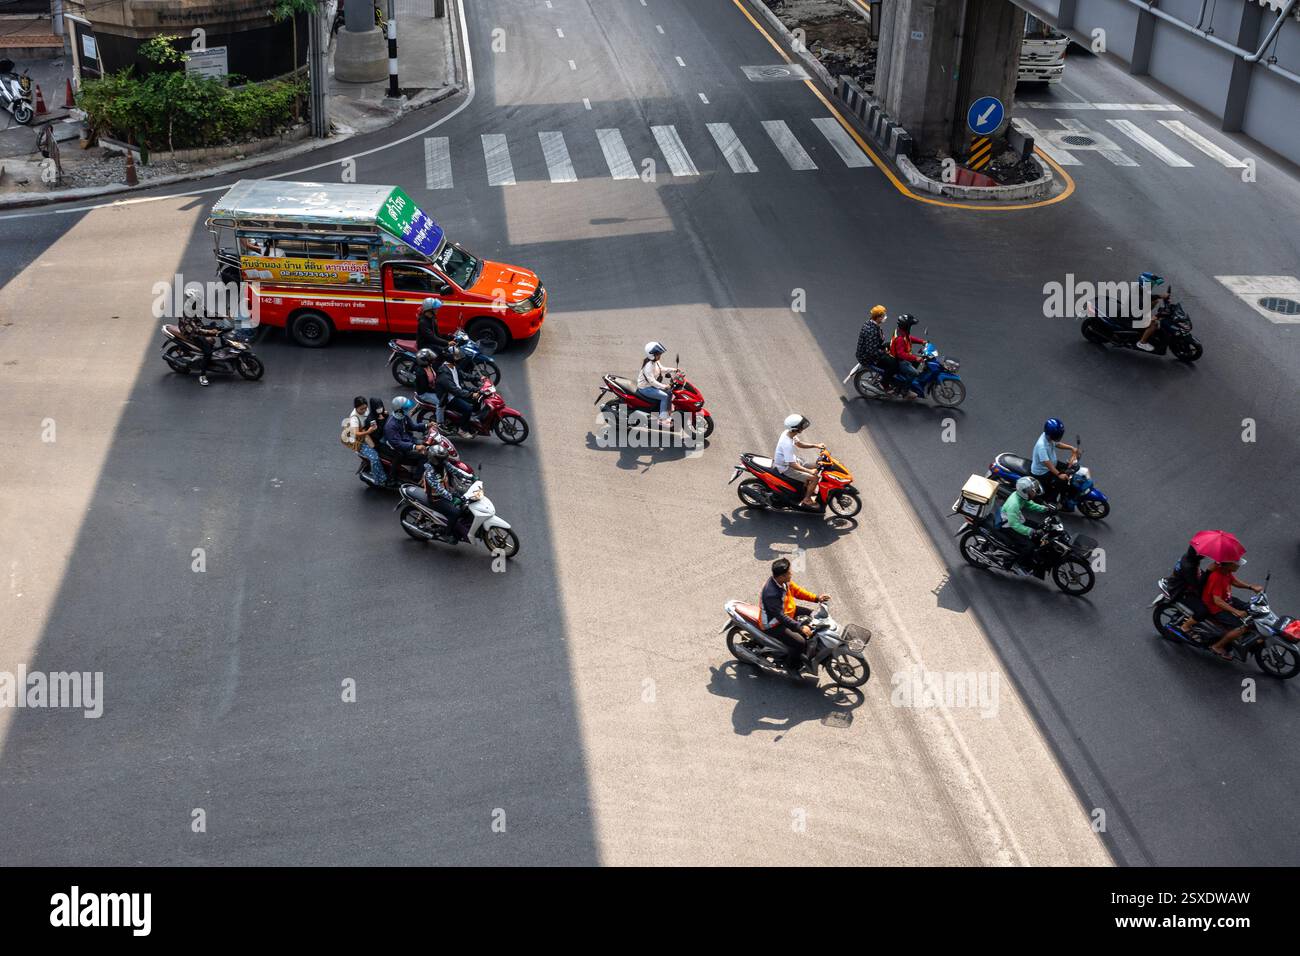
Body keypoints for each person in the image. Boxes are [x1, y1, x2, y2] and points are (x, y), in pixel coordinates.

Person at [760, 558, 830, 674]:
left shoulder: (783, 582)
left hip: (788, 611)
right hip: (773, 624)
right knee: (800, 642)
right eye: (788, 573)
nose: (791, 574)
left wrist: (817, 598)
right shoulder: (771, 594)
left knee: (814, 615)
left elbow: (797, 591)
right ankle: (791, 667)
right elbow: (780, 617)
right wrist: (800, 627)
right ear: (781, 576)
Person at [1205, 560, 1264, 660]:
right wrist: (1236, 611)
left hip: (1227, 600)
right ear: (1228, 565)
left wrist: (1251, 587)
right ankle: (1217, 646)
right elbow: (1217, 601)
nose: (1238, 566)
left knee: (1252, 608)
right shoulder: (1217, 577)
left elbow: (1234, 581)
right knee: (1242, 626)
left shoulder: (1226, 572)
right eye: (1236, 564)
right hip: (1216, 608)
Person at [774, 414, 825, 508]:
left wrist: (816, 445)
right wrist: (809, 471)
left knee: (816, 465)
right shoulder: (787, 444)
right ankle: (807, 499)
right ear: (795, 428)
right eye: (801, 426)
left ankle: (808, 487)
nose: (803, 427)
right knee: (815, 478)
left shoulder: (789, 433)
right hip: (786, 468)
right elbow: (792, 464)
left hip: (793, 460)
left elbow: (799, 444)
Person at [999, 476, 1051, 565]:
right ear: (1024, 492)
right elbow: (1014, 524)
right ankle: (1018, 564)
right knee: (1029, 546)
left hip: (1017, 518)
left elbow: (1030, 505)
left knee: (1041, 527)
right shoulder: (1014, 504)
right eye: (1032, 491)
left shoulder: (1021, 497)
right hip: (1008, 525)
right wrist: (1030, 531)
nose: (1035, 493)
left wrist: (1045, 509)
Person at [421, 445, 471, 536]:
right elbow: (439, 490)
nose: (444, 461)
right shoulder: (429, 473)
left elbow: (456, 471)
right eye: (441, 459)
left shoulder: (443, 464)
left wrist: (471, 477)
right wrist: (452, 497)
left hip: (447, 492)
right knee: (455, 513)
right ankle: (447, 534)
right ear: (434, 459)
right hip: (436, 499)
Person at [1029, 418, 1079, 506]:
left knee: (1069, 469)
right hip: (1042, 472)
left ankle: (1065, 494)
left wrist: (1071, 448)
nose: (1059, 437)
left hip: (1052, 464)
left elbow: (1057, 444)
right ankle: (1051, 501)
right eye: (1057, 436)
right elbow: (1047, 463)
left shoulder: (1049, 437)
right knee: (1061, 482)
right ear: (1051, 435)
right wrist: (1059, 474)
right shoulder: (1042, 446)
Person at [178, 293, 225, 387]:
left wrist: (224, 316)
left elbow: (207, 313)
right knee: (208, 352)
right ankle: (203, 376)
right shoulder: (187, 313)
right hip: (191, 333)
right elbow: (196, 330)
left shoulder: (197, 305)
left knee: (218, 329)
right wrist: (210, 331)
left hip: (198, 326)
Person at [434, 349, 484, 431]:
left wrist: (479, 378)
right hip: (449, 397)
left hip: (458, 392)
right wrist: (471, 394)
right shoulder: (444, 374)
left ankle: (471, 421)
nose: (459, 359)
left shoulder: (453, 367)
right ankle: (462, 429)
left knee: (478, 399)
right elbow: (455, 390)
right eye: (457, 357)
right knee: (468, 408)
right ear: (451, 359)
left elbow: (464, 375)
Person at [636, 342, 679, 430]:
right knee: (664, 396)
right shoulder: (648, 366)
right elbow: (652, 381)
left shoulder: (655, 362)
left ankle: (668, 413)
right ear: (652, 355)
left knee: (670, 393)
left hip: (651, 386)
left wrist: (674, 370)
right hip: (645, 388)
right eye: (658, 354)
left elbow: (662, 369)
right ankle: (662, 419)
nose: (660, 355)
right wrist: (664, 386)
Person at [856, 304, 898, 390]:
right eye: (883, 316)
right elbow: (871, 351)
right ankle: (884, 384)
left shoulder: (871, 324)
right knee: (894, 364)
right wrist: (884, 352)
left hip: (873, 349)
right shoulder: (871, 331)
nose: (885, 317)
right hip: (867, 356)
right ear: (878, 317)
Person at [346, 395, 387, 485]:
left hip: (371, 436)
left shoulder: (366, 409)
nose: (364, 411)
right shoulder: (354, 418)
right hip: (361, 442)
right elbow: (356, 433)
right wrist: (368, 431)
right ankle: (379, 480)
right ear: (356, 408)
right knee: (375, 458)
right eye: (361, 409)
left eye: (365, 408)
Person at [383, 396, 428, 472]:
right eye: (406, 409)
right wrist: (415, 447)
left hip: (409, 440)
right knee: (424, 456)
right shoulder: (390, 426)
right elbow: (398, 443)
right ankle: (418, 478)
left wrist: (426, 425)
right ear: (399, 410)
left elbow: (413, 426)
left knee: (427, 445)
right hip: (402, 448)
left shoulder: (403, 416)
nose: (408, 410)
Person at [888, 314, 928, 394]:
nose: (911, 327)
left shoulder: (901, 331)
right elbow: (901, 354)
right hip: (900, 361)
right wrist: (915, 358)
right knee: (914, 373)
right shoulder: (900, 339)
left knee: (917, 360)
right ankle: (905, 390)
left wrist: (922, 342)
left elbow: (909, 338)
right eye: (910, 325)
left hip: (903, 356)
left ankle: (905, 378)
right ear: (906, 326)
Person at [1134, 272, 1172, 352]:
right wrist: (1156, 316)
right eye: (1151, 284)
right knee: (1154, 324)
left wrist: (1162, 297)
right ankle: (1142, 342)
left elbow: (1152, 297)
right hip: (1134, 316)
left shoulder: (1140, 288)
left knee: (1155, 301)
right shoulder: (1140, 294)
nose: (1152, 286)